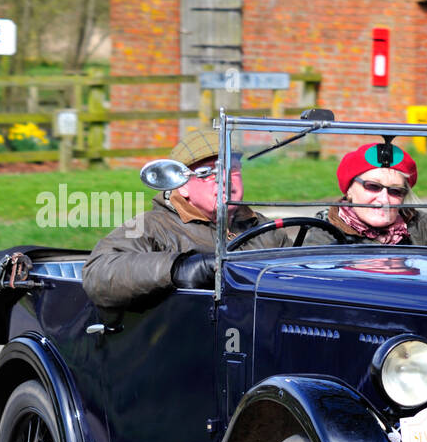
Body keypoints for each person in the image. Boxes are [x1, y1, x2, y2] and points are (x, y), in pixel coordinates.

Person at [81, 130, 292, 309]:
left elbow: (303, 278)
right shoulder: (153, 227)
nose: (224, 180)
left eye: (233, 169)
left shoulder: (266, 229)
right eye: (206, 173)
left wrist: (326, 224)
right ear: (181, 185)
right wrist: (177, 268)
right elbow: (97, 272)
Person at [312, 142, 427, 249]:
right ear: (349, 190)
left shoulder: (421, 229)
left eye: (395, 191)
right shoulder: (324, 234)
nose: (384, 199)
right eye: (373, 186)